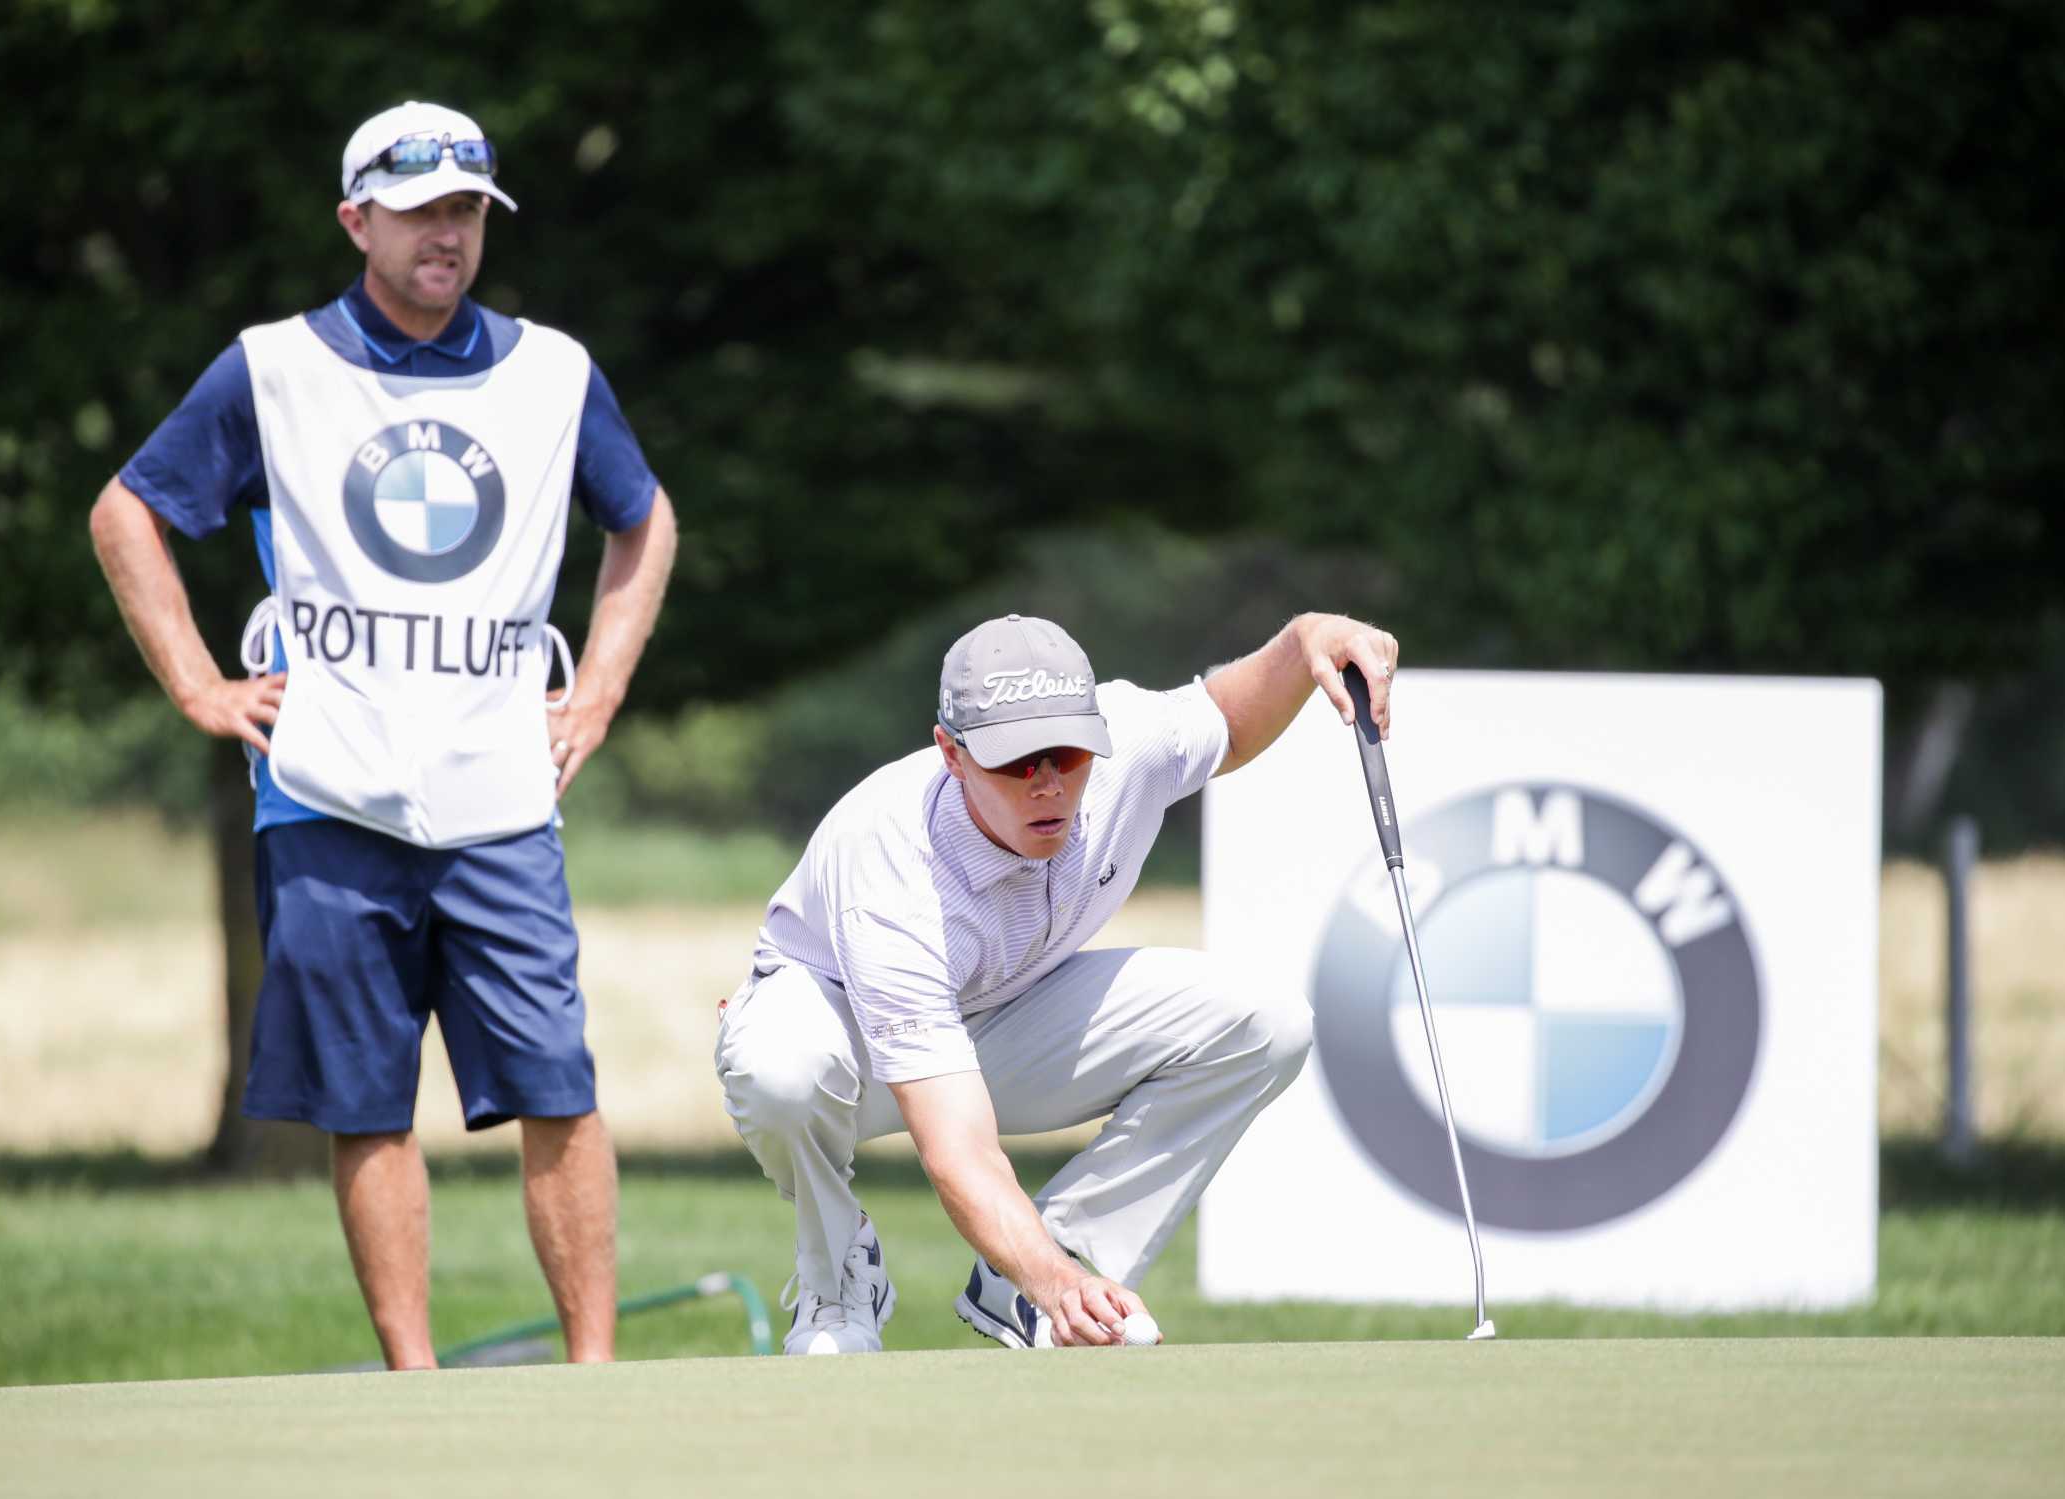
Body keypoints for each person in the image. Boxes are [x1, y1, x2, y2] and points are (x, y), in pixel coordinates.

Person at [89, 100, 678, 1367]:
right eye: (418, 214)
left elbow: (643, 518)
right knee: (366, 1103)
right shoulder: (271, 366)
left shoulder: (554, 372)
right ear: (357, 218)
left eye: (466, 212)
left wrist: (603, 690)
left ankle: (595, 1380)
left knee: (558, 1086)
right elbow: (128, 510)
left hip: (501, 794)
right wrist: (199, 686)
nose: (446, 238)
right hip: (327, 793)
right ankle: (411, 1386)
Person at [716, 609, 1398, 1353]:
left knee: (1266, 1023)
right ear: (951, 752)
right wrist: (1054, 1280)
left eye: (1066, 754)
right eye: (1015, 761)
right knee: (779, 1070)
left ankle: (1044, 1274)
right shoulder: (888, 862)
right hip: (843, 1033)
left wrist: (1303, 643)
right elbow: (958, 1146)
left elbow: (1230, 720)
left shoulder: (1125, 740)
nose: (1047, 784)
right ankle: (837, 1281)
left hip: (1004, 1010)